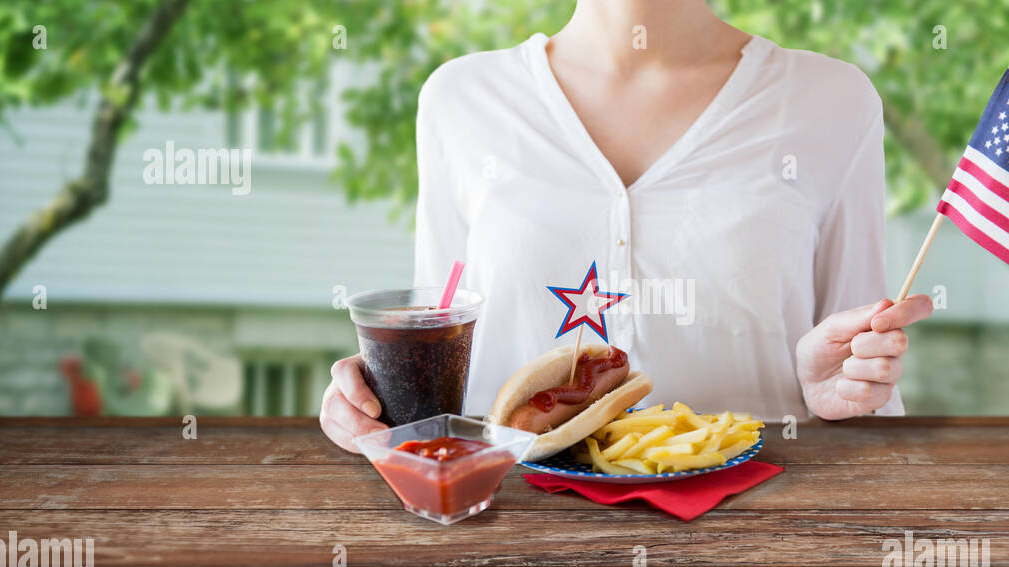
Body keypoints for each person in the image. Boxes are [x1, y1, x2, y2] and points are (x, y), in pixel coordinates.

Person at [321, 0, 932, 451]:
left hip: (757, 537)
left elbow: (863, 375)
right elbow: (443, 347)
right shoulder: (460, 99)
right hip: (515, 541)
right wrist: (378, 402)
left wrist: (839, 396)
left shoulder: (832, 101)